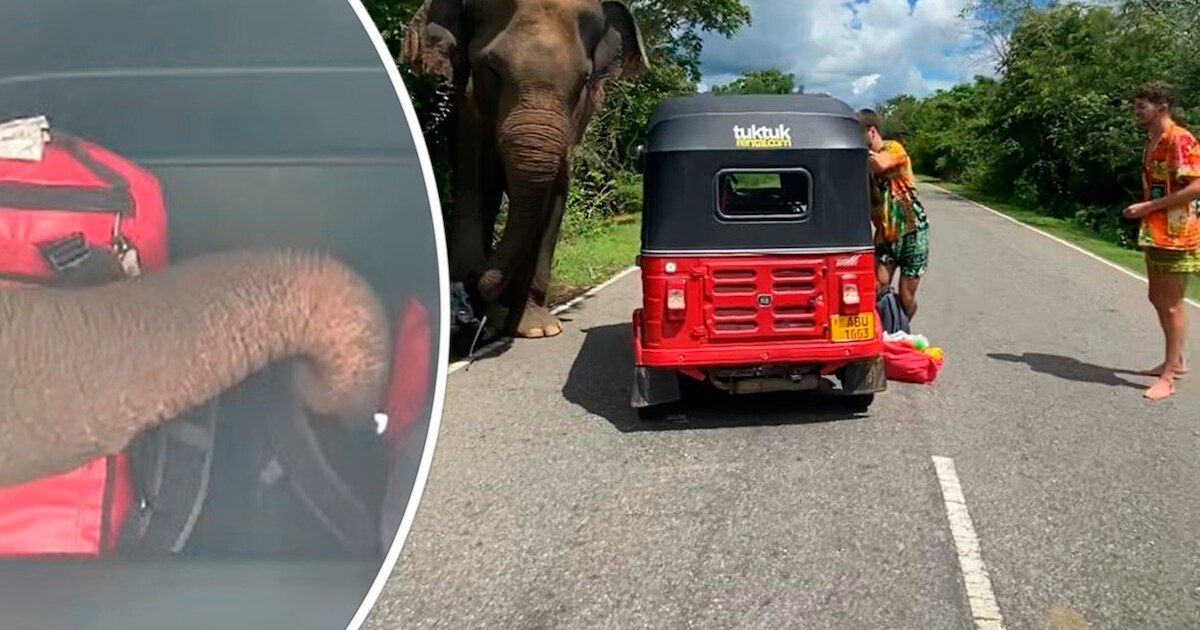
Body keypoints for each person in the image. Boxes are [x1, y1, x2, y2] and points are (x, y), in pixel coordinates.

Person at [1123, 81, 1200, 401]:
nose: (1136, 112)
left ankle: (1169, 376)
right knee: (1158, 299)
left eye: (1142, 106)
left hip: (1179, 232)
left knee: (1170, 304)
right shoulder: (1152, 141)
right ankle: (1175, 361)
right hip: (1155, 230)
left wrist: (1149, 206)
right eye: (1135, 106)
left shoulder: (1179, 139)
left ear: (1162, 107)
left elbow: (1197, 187)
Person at [858, 109, 930, 321]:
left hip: (912, 232)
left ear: (871, 132)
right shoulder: (865, 167)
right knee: (877, 287)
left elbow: (881, 163)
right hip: (886, 235)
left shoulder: (893, 148)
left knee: (906, 296)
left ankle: (902, 327)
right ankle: (885, 328)